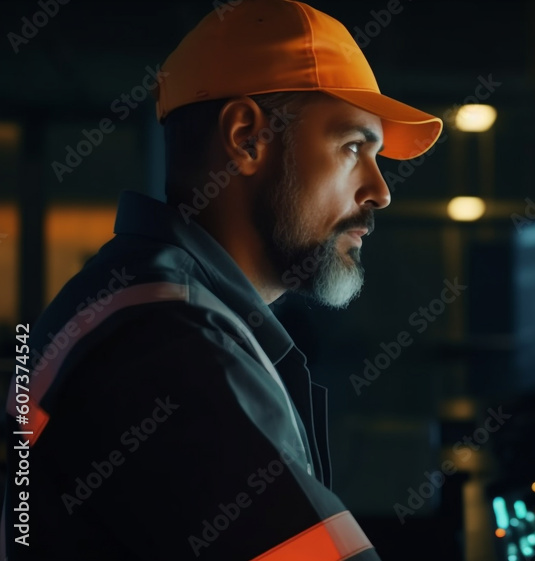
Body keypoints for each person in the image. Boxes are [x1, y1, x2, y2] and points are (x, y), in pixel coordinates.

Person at [2, 0, 441, 559]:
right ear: (246, 138)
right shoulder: (168, 344)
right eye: (353, 146)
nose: (380, 190)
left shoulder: (130, 302)